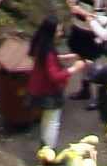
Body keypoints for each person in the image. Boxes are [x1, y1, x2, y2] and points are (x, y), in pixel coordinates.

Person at [26, 13, 73, 154]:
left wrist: (62, 57)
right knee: (53, 122)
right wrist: (73, 69)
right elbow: (54, 75)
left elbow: (47, 63)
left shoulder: (40, 44)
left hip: (39, 88)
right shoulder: (48, 51)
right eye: (58, 30)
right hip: (50, 91)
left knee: (46, 119)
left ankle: (45, 145)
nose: (60, 33)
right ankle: (50, 151)